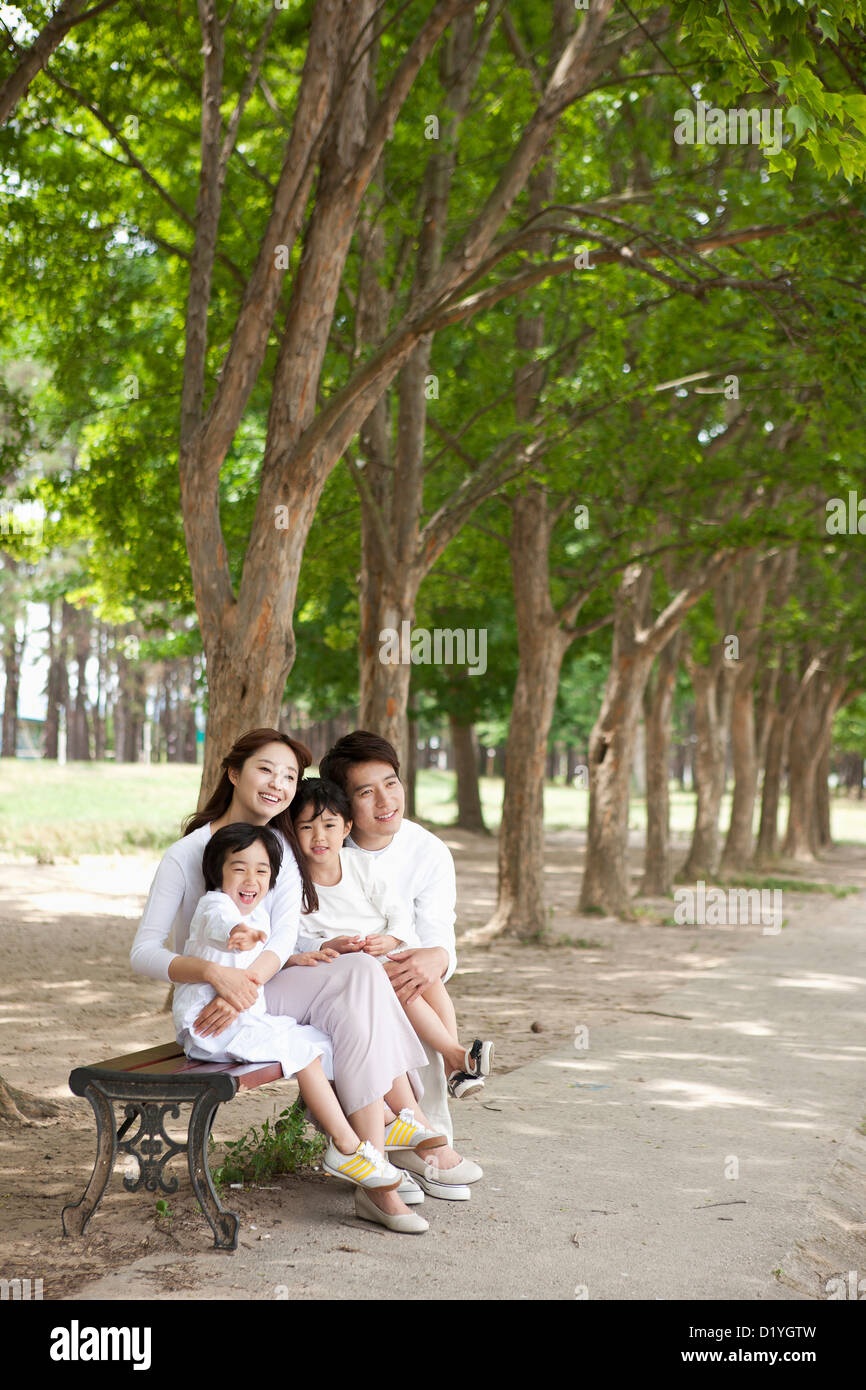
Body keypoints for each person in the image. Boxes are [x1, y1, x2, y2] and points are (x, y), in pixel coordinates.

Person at [131, 727, 452, 1234]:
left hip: (260, 989)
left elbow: (281, 937)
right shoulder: (188, 853)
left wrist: (256, 979)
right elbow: (144, 951)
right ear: (234, 773)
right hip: (217, 1001)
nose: (278, 784)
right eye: (266, 770)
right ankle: (380, 1177)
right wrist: (217, 974)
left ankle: (374, 1158)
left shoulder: (281, 846)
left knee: (364, 973)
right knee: (353, 995)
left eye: (288, 776)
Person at [319, 730, 485, 1196]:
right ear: (345, 806)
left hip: (401, 965)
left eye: (391, 783)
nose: (385, 800)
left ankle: (418, 1141)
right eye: (365, 792)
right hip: (345, 972)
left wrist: (438, 955)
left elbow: (438, 934)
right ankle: (422, 1143)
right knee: (383, 989)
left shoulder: (427, 849)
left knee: (417, 981)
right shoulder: (328, 848)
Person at [290, 777, 494, 1099]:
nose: (319, 837)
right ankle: (455, 1060)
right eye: (306, 828)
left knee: (425, 977)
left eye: (329, 825)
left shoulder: (359, 865)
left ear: (346, 828)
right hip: (345, 968)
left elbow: (398, 912)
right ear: (292, 832)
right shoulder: (296, 882)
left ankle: (453, 1061)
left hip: (384, 948)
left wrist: (392, 938)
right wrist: (327, 946)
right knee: (398, 985)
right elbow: (297, 939)